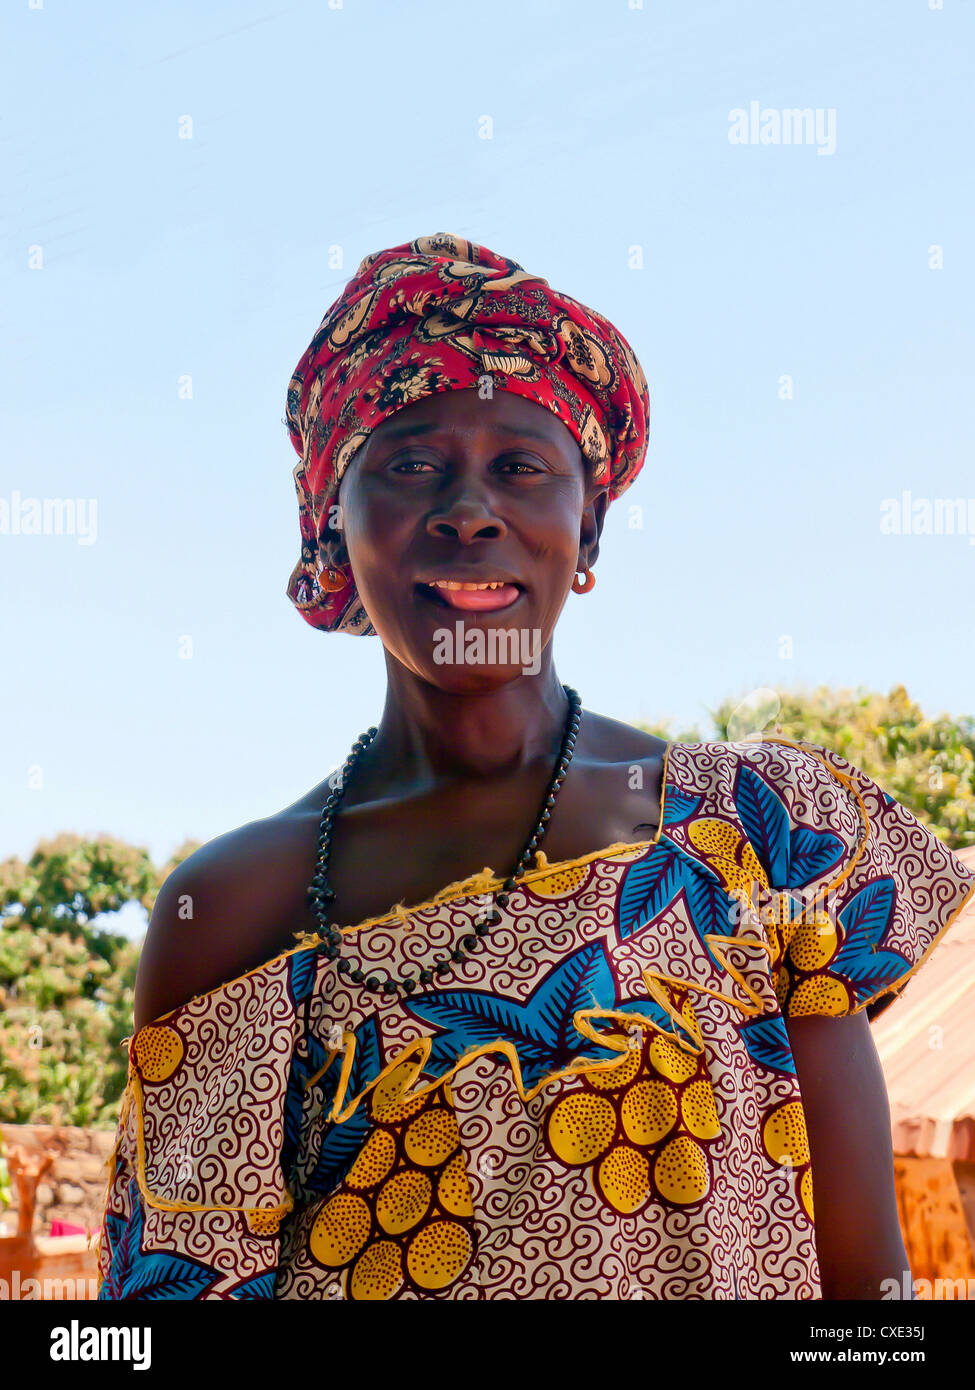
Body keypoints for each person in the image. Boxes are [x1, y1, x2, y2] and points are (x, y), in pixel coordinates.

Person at [96, 233, 975, 1301]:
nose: (470, 510)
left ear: (588, 524)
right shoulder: (235, 912)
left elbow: (866, 1292)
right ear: (333, 518)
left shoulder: (765, 829)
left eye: (521, 465)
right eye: (412, 463)